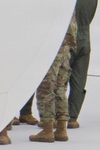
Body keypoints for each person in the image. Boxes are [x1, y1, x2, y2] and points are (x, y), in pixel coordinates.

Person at [29, 14, 77, 143]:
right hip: (66, 47)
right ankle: (61, 129)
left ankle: (47, 129)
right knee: (60, 88)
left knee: (45, 88)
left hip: (51, 48)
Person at [67, 0, 98, 128]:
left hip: (66, 41)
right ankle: (72, 117)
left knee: (59, 81)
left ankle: (56, 116)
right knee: (79, 80)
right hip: (85, 39)